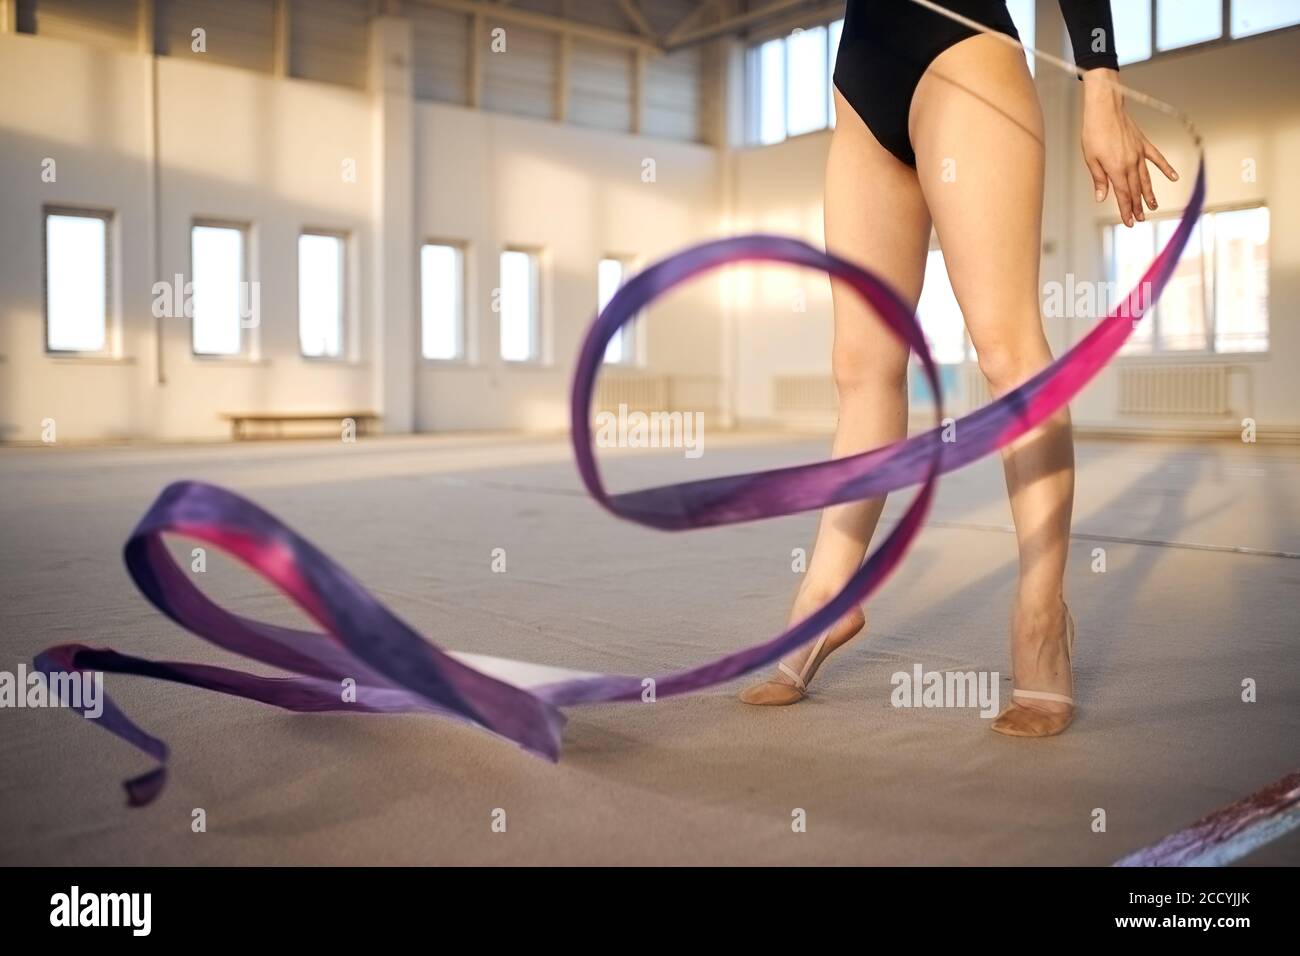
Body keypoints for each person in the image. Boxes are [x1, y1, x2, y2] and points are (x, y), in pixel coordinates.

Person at [739, 0, 1177, 737]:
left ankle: (1042, 615)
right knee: (860, 366)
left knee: (1007, 352)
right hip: (860, 80)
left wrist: (1099, 81)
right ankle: (826, 598)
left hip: (963, 55)